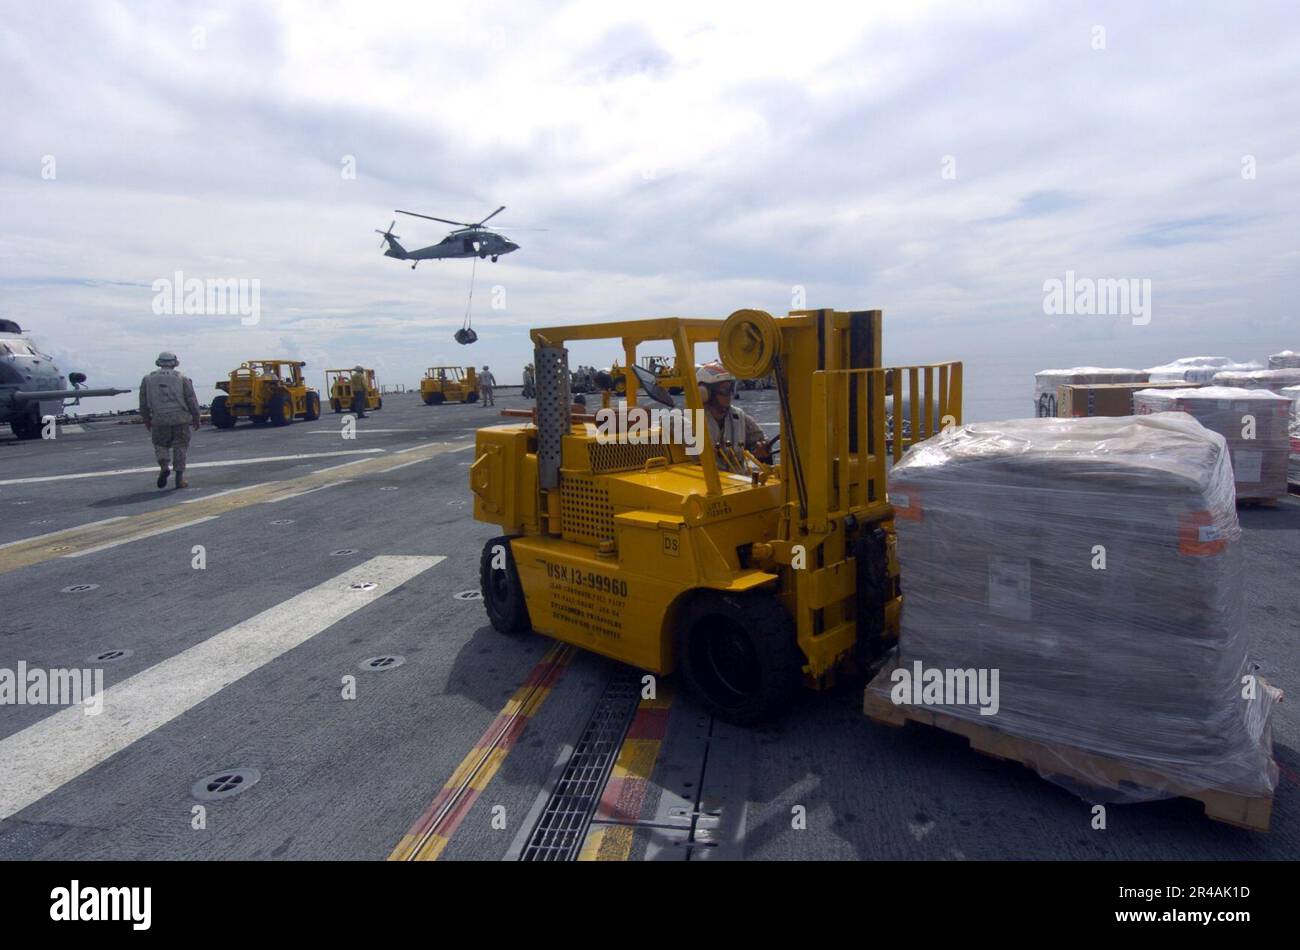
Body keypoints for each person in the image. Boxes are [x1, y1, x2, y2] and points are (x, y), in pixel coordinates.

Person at [139, 351, 201, 489]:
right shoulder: (182, 378)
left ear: (159, 362)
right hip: (180, 417)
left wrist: (146, 419)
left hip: (159, 418)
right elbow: (191, 399)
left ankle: (164, 466)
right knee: (180, 447)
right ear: (174, 362)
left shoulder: (148, 379)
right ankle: (179, 479)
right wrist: (196, 417)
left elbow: (143, 402)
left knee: (160, 445)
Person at [696, 361, 771, 473]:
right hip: (707, 484)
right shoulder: (692, 420)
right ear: (705, 393)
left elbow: (760, 440)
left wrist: (760, 448)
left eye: (731, 388)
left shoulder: (739, 416)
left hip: (738, 483)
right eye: (724, 390)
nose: (730, 394)